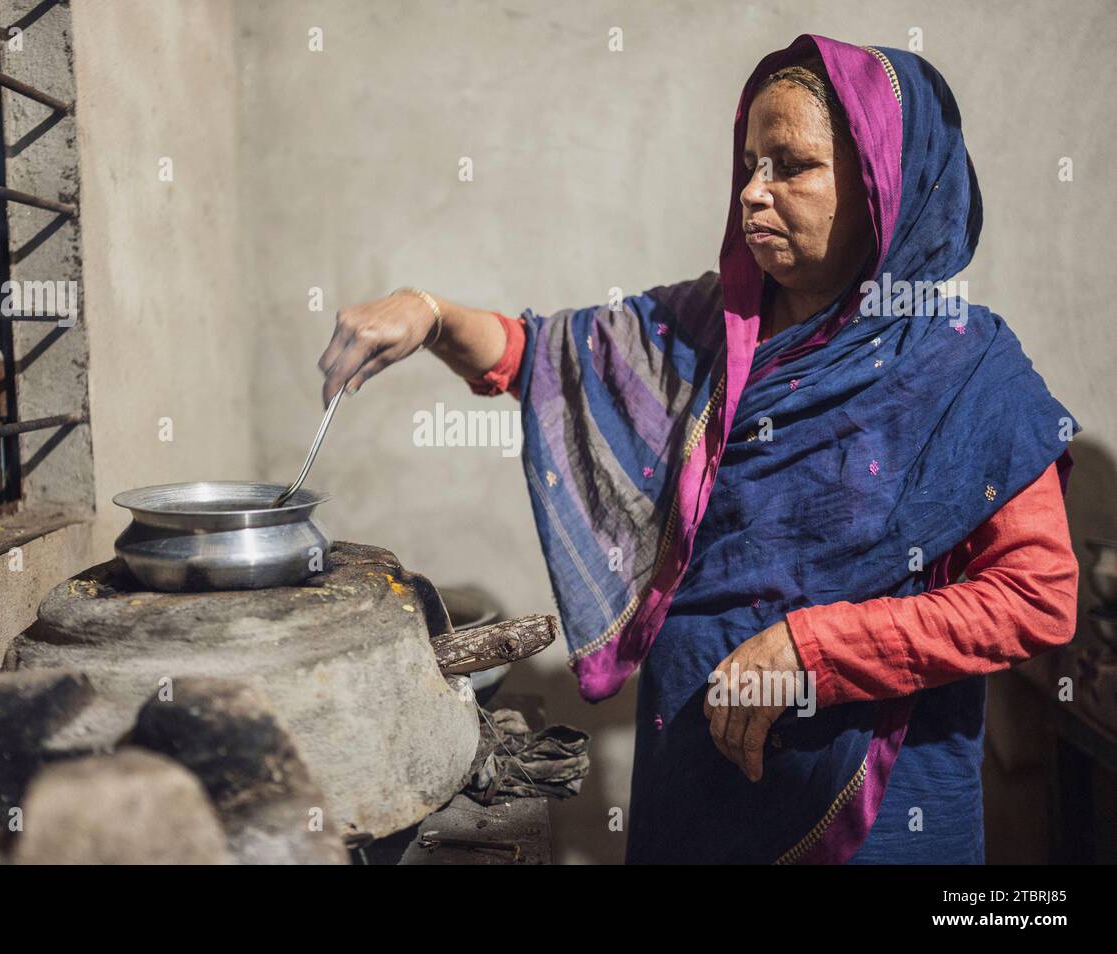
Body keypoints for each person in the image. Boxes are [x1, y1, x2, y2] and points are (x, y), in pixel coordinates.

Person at [316, 34, 1079, 863]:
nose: (753, 192)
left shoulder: (965, 367)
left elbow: (1036, 597)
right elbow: (539, 355)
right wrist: (427, 314)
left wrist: (810, 650)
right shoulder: (708, 331)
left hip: (874, 808)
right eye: (750, 162)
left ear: (883, 183)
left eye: (792, 165)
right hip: (692, 770)